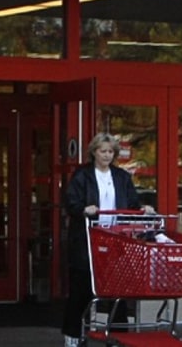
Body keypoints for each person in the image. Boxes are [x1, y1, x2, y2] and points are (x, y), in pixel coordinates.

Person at [61, 134, 153, 347]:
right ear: (94, 152)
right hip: (87, 239)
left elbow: (131, 203)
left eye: (110, 152)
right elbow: (71, 201)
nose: (106, 155)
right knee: (82, 288)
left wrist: (142, 209)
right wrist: (83, 209)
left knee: (117, 289)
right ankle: (74, 333)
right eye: (103, 151)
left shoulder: (121, 176)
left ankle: (119, 335)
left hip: (115, 240)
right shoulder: (82, 175)